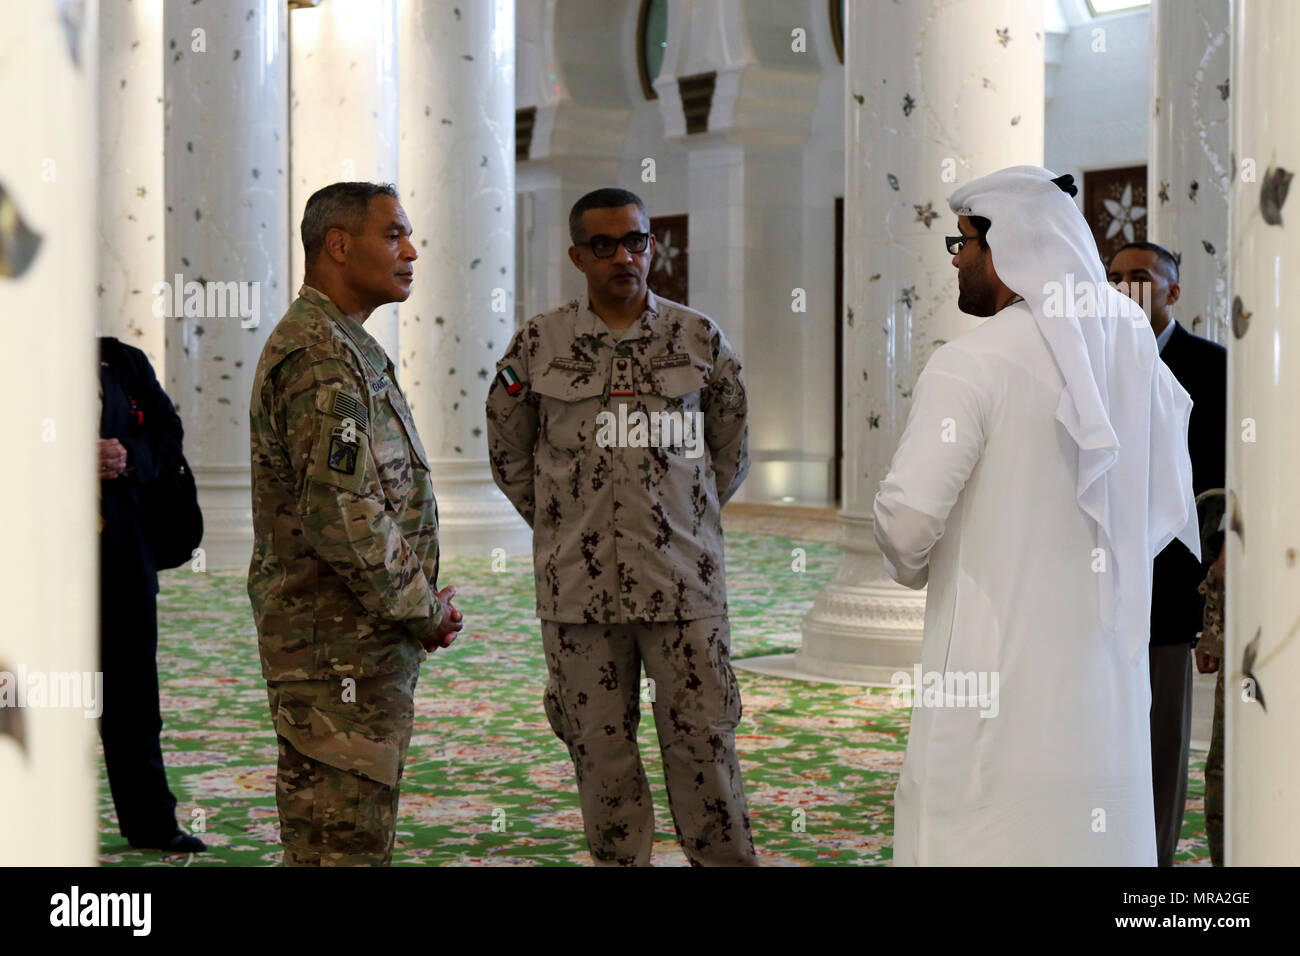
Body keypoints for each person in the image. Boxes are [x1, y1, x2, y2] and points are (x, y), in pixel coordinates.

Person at [875, 166, 1200, 865]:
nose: (957, 261)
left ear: (1006, 247)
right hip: (1102, 673)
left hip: (993, 677)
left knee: (983, 832)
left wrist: (906, 558)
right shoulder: (1131, 348)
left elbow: (906, 526)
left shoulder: (971, 362)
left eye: (962, 244)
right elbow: (1167, 500)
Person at [485, 187, 757, 866]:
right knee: (600, 756)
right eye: (603, 245)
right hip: (579, 592)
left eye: (634, 241)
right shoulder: (539, 344)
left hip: (684, 589)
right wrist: (563, 519)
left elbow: (731, 450)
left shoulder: (698, 338)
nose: (622, 257)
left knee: (705, 750)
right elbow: (508, 451)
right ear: (578, 255)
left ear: (651, 246)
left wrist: (683, 516)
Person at [248, 182, 462, 866]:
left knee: (346, 837)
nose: (411, 252)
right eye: (393, 235)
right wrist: (422, 607)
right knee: (338, 844)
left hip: (354, 640)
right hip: (332, 650)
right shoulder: (320, 358)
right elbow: (342, 511)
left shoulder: (341, 343)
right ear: (338, 245)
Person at [1107, 241, 1226, 866]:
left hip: (1174, 583)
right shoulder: (1093, 362)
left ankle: (1150, 867)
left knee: (1160, 738)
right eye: (1114, 277)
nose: (1125, 288)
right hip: (1098, 579)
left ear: (1172, 291)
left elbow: (1231, 474)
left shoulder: (1213, 366)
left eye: (1141, 278)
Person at [98, 335, 205, 854]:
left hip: (121, 552)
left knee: (132, 697)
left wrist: (125, 456)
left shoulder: (120, 360)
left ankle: (151, 822)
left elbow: (168, 435)